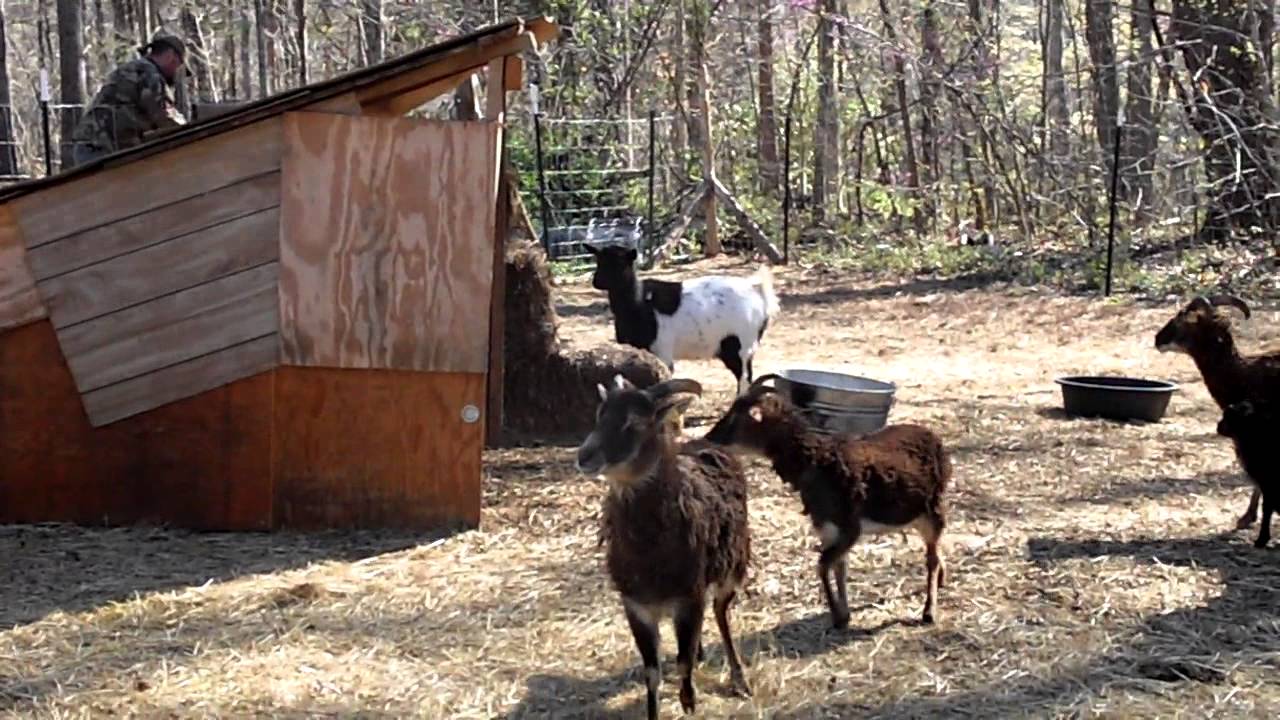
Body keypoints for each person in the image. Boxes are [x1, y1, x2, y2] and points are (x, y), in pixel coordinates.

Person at [68, 33, 189, 167]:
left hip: (91, 144)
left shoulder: (134, 68)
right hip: (103, 148)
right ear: (170, 56)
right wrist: (189, 130)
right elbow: (163, 115)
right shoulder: (149, 74)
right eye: (178, 64)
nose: (176, 71)